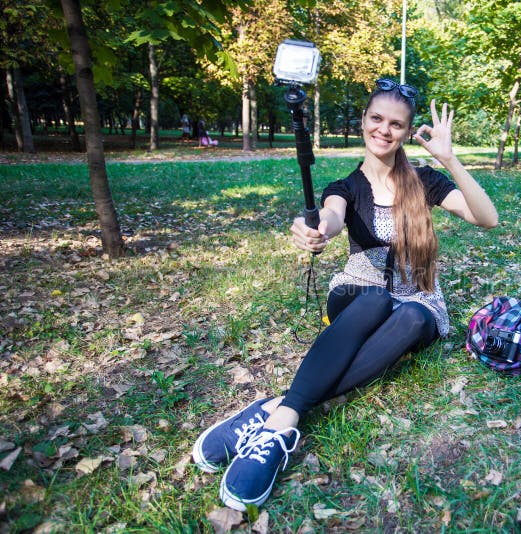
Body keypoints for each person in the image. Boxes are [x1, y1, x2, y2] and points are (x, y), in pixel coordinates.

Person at [192, 78, 498, 511]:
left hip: (418, 296)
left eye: (396, 124)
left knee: (410, 316)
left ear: (408, 132)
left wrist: (451, 160)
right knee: (375, 301)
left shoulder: (425, 180)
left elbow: (487, 218)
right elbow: (331, 219)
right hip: (359, 290)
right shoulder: (345, 186)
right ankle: (284, 424)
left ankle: (277, 409)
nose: (384, 130)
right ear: (363, 122)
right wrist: (317, 232)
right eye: (376, 119)